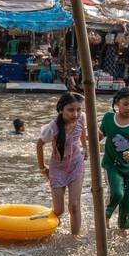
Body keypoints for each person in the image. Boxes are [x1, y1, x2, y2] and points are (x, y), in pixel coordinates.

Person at [36, 93, 86, 237]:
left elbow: (82, 130)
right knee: (59, 210)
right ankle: (52, 231)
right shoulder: (52, 128)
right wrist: (42, 168)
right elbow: (39, 145)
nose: (75, 114)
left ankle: (74, 238)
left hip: (76, 164)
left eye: (78, 109)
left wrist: (85, 146)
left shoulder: (81, 118)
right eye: (70, 110)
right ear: (61, 110)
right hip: (57, 168)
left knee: (74, 205)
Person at [100, 87, 129, 230]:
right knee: (117, 193)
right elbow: (100, 136)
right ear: (117, 103)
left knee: (127, 200)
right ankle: (105, 216)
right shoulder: (108, 118)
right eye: (125, 104)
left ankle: (124, 229)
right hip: (112, 165)